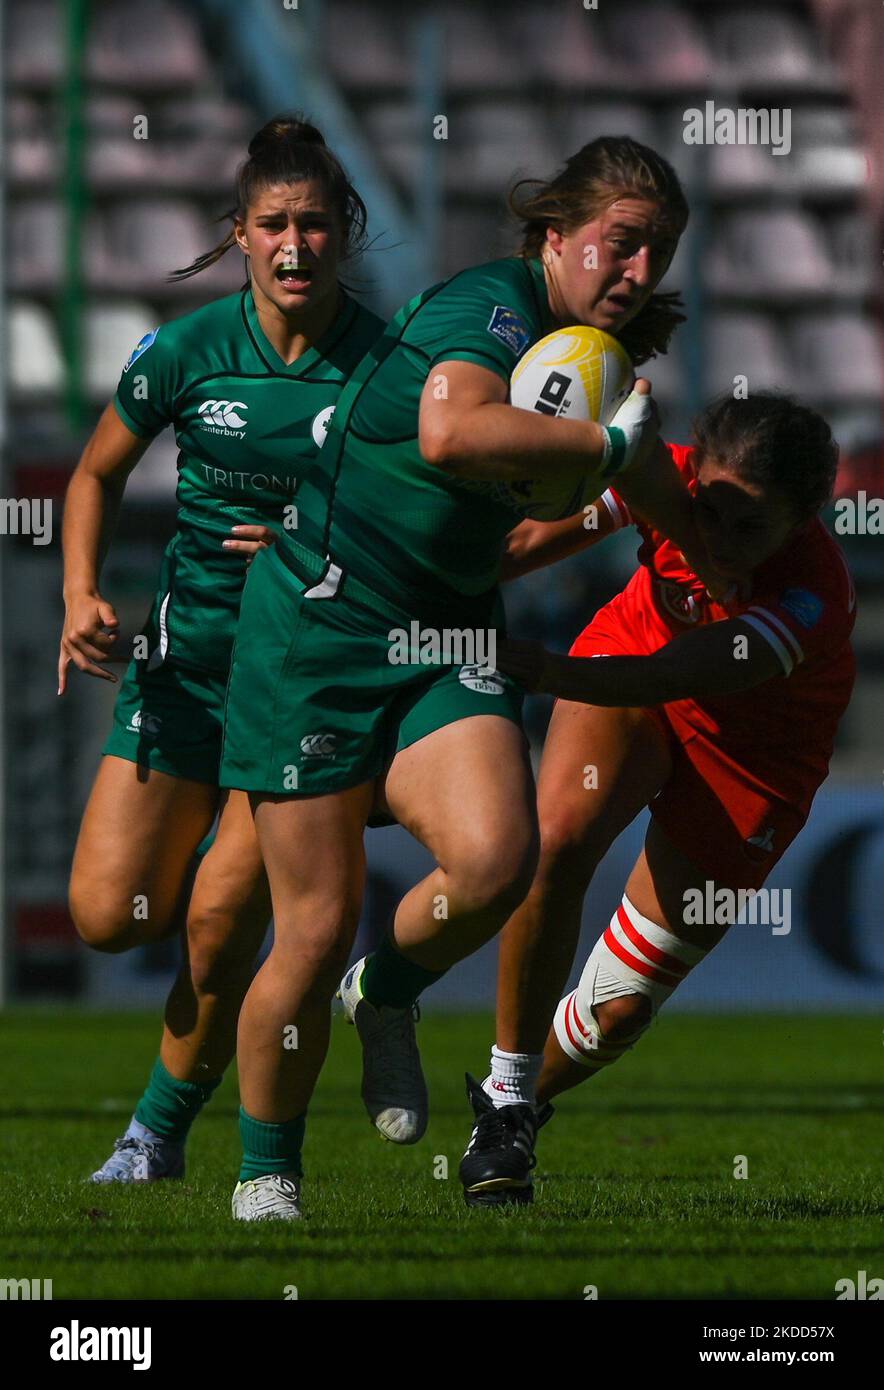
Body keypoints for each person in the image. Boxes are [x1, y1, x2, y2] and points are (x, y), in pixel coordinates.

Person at [218, 135, 723, 1221]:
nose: (636, 272)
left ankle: (385, 993)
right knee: (309, 925)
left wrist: (713, 538)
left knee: (498, 864)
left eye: (658, 252)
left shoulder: (593, 365)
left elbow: (610, 503)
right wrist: (601, 452)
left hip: (442, 628)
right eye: (620, 243)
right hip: (318, 626)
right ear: (553, 234)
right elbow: (449, 436)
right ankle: (267, 1173)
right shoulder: (489, 308)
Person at [59, 115, 385, 1183]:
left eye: (316, 224)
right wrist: (79, 594)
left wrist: (317, 540)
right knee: (111, 916)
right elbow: (96, 473)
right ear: (238, 234)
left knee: (215, 918)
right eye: (273, 224)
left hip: (298, 688)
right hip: (182, 670)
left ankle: (157, 1136)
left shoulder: (388, 369)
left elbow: (442, 522)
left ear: (348, 232)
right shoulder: (187, 350)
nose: (295, 246)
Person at [459, 392, 856, 1206]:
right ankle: (503, 1103)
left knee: (618, 1011)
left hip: (753, 761)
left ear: (809, 516)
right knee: (559, 840)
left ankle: (522, 1107)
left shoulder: (814, 593)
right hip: (635, 657)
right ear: (694, 478)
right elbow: (528, 540)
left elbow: (685, 673)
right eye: (710, 514)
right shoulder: (659, 480)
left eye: (751, 529)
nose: (720, 541)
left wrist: (542, 668)